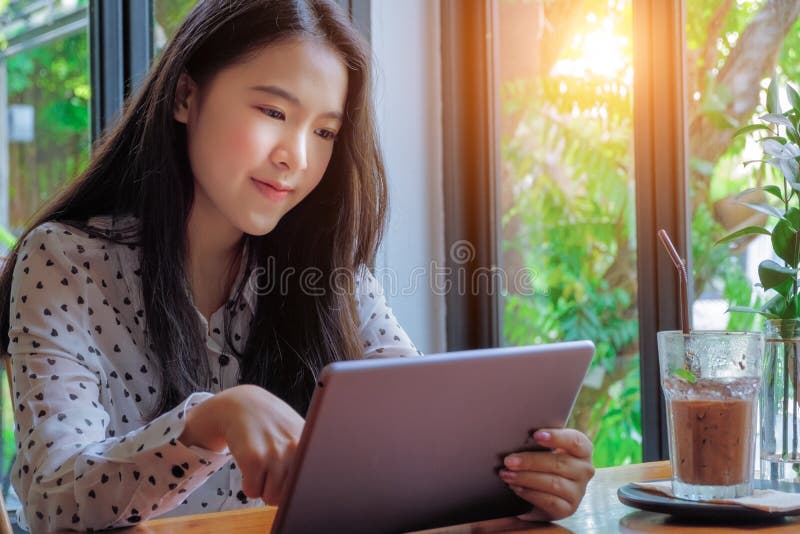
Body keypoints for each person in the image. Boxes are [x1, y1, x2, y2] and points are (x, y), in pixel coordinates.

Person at [0, 0, 595, 531]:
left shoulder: (326, 269)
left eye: (326, 131)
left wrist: (515, 484)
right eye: (273, 112)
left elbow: (416, 434)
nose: (297, 158)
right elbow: (56, 500)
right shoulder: (65, 260)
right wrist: (210, 420)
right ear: (186, 96)